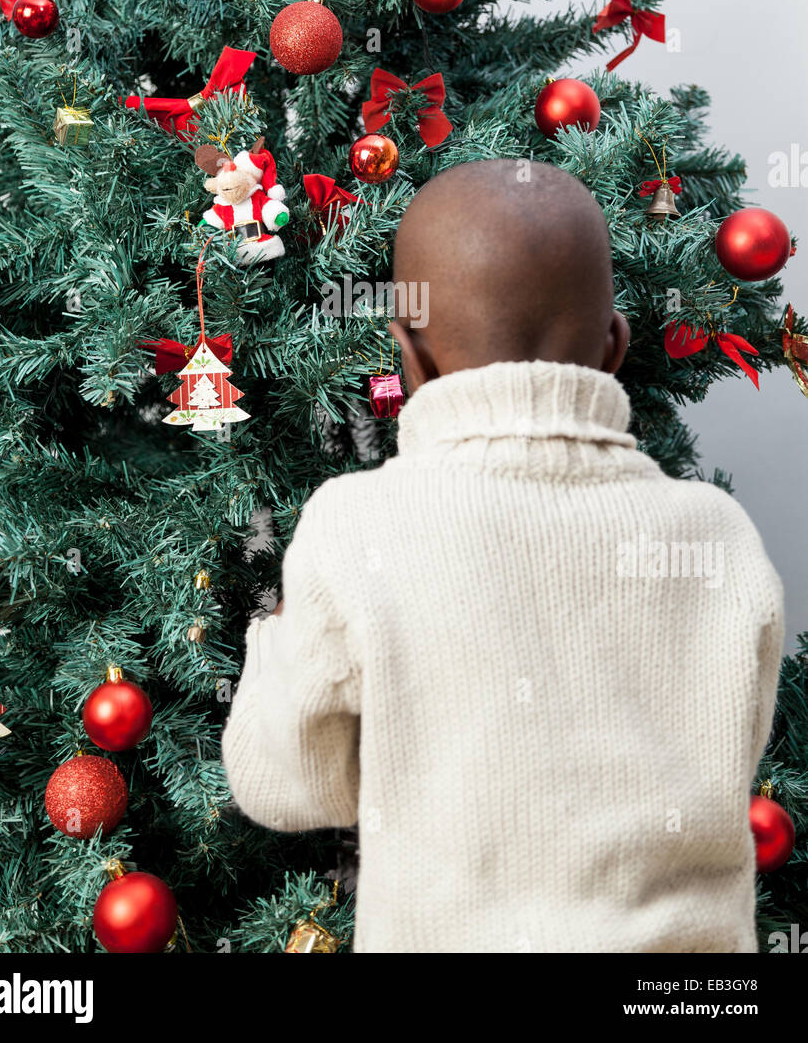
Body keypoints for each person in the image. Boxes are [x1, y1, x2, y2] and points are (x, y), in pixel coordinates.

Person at [222, 159, 783, 953]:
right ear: (615, 348)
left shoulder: (359, 527)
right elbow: (726, 742)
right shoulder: (717, 535)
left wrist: (274, 634)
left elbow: (291, 786)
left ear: (409, 358)